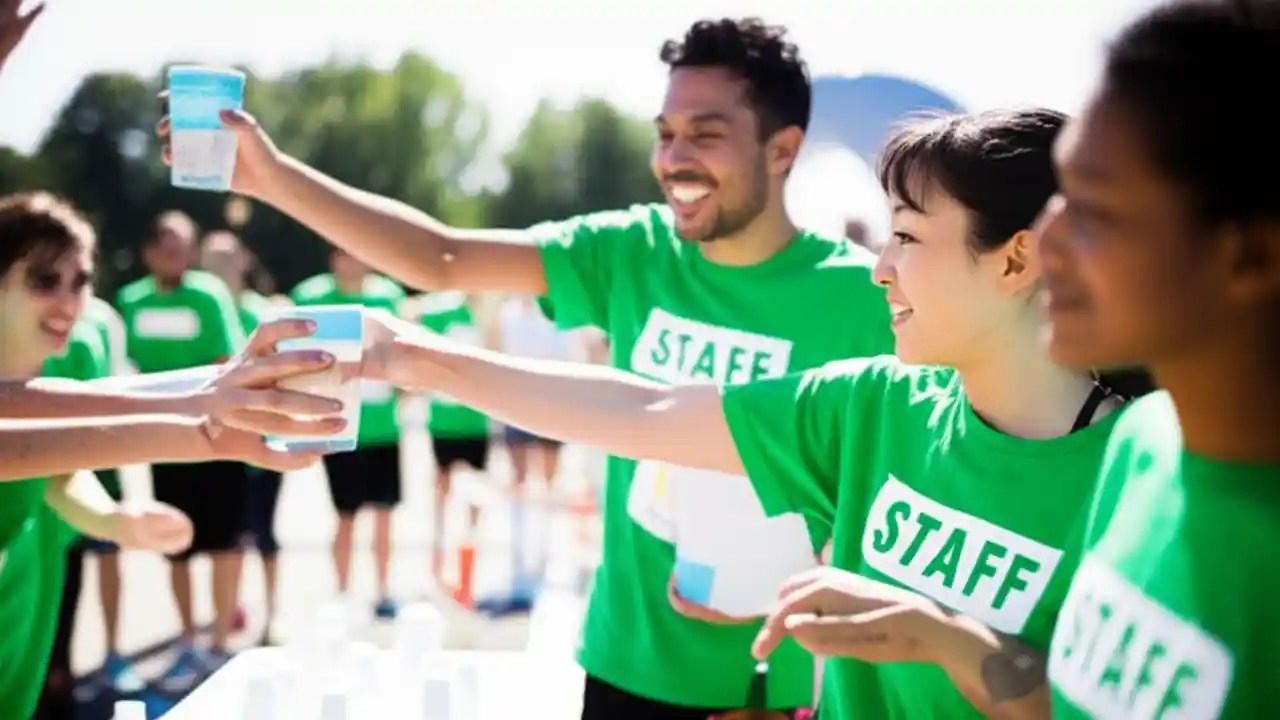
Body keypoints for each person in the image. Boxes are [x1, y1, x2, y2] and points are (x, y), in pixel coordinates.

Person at [160, 18, 904, 716]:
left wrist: (803, 577)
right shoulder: (632, 250)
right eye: (666, 133)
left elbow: (898, 477)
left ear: (782, 149)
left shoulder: (862, 296)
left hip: (776, 676)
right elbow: (442, 258)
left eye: (706, 135)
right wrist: (271, 177)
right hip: (626, 661)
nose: (675, 158)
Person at [355, 108, 1158, 720]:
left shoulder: (1146, 471)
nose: (879, 269)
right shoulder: (874, 402)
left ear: (1017, 258)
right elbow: (649, 407)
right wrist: (415, 358)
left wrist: (951, 643)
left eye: (907, 237)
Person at [0, 191, 339, 719]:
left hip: (22, 614)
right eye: (45, 281)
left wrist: (115, 518)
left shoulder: (64, 360)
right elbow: (22, 438)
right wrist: (203, 422)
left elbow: (53, 469)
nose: (69, 303)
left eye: (81, 282)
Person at [1037, 1, 1280, 718]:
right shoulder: (1141, 442)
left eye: (1092, 209)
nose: (1044, 242)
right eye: (1059, 193)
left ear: (1254, 252)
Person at [116, 210, 252, 686]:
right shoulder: (130, 301)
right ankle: (188, 639)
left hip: (217, 441)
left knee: (224, 541)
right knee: (176, 542)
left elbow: (225, 360)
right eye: (168, 247)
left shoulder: (210, 295)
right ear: (149, 252)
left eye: (184, 247)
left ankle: (219, 642)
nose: (177, 255)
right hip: (164, 444)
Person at [292, 248, 406, 620]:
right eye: (343, 254)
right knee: (345, 515)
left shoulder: (388, 296)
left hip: (384, 428)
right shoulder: (312, 297)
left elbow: (404, 352)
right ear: (333, 258)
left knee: (385, 514)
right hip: (341, 425)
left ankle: (384, 590)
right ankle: (341, 592)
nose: (351, 262)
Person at [201, 229, 284, 644]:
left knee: (265, 533)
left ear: (242, 262)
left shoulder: (263, 313)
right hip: (219, 444)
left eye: (227, 258)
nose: (220, 267)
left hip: (263, 439)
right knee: (226, 537)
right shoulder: (201, 306)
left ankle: (272, 618)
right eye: (211, 259)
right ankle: (227, 614)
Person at [407, 291, 493, 595]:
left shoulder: (489, 313)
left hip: (476, 420)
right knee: (442, 491)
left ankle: (468, 570)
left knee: (475, 496)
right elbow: (411, 320)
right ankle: (438, 561)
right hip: (444, 420)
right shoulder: (439, 310)